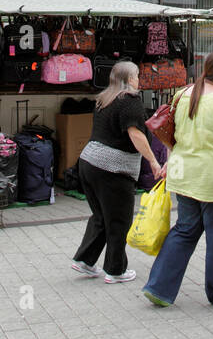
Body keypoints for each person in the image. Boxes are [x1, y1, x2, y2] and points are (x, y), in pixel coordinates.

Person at [142, 50, 213, 310]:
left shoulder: (183, 94)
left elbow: (172, 134)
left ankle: (159, 288)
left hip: (185, 175)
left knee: (184, 231)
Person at [71, 60, 165, 284]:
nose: (139, 80)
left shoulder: (104, 98)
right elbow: (136, 134)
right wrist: (152, 161)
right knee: (119, 220)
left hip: (89, 162)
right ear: (129, 79)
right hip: (113, 168)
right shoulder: (129, 101)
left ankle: (85, 259)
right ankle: (115, 270)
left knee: (102, 215)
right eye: (137, 75)